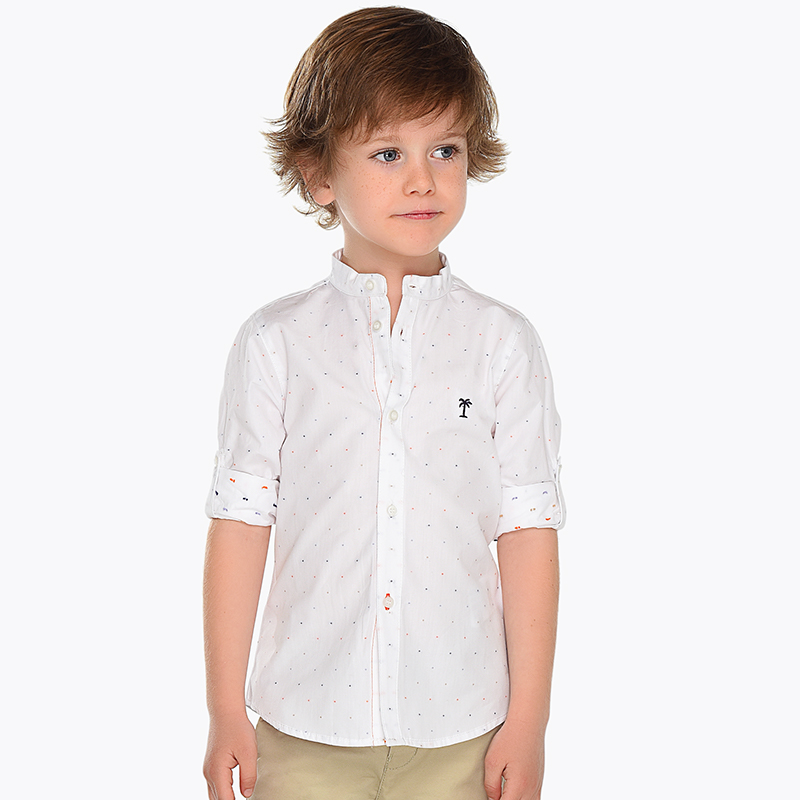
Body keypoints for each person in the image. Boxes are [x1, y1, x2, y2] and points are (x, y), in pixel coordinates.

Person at [202, 7, 565, 800]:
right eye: (388, 152)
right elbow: (241, 522)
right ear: (319, 175)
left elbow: (527, 530)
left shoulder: (502, 342)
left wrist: (530, 720)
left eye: (446, 149)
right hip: (305, 726)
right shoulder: (276, 342)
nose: (422, 179)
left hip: (465, 729)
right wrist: (224, 708)